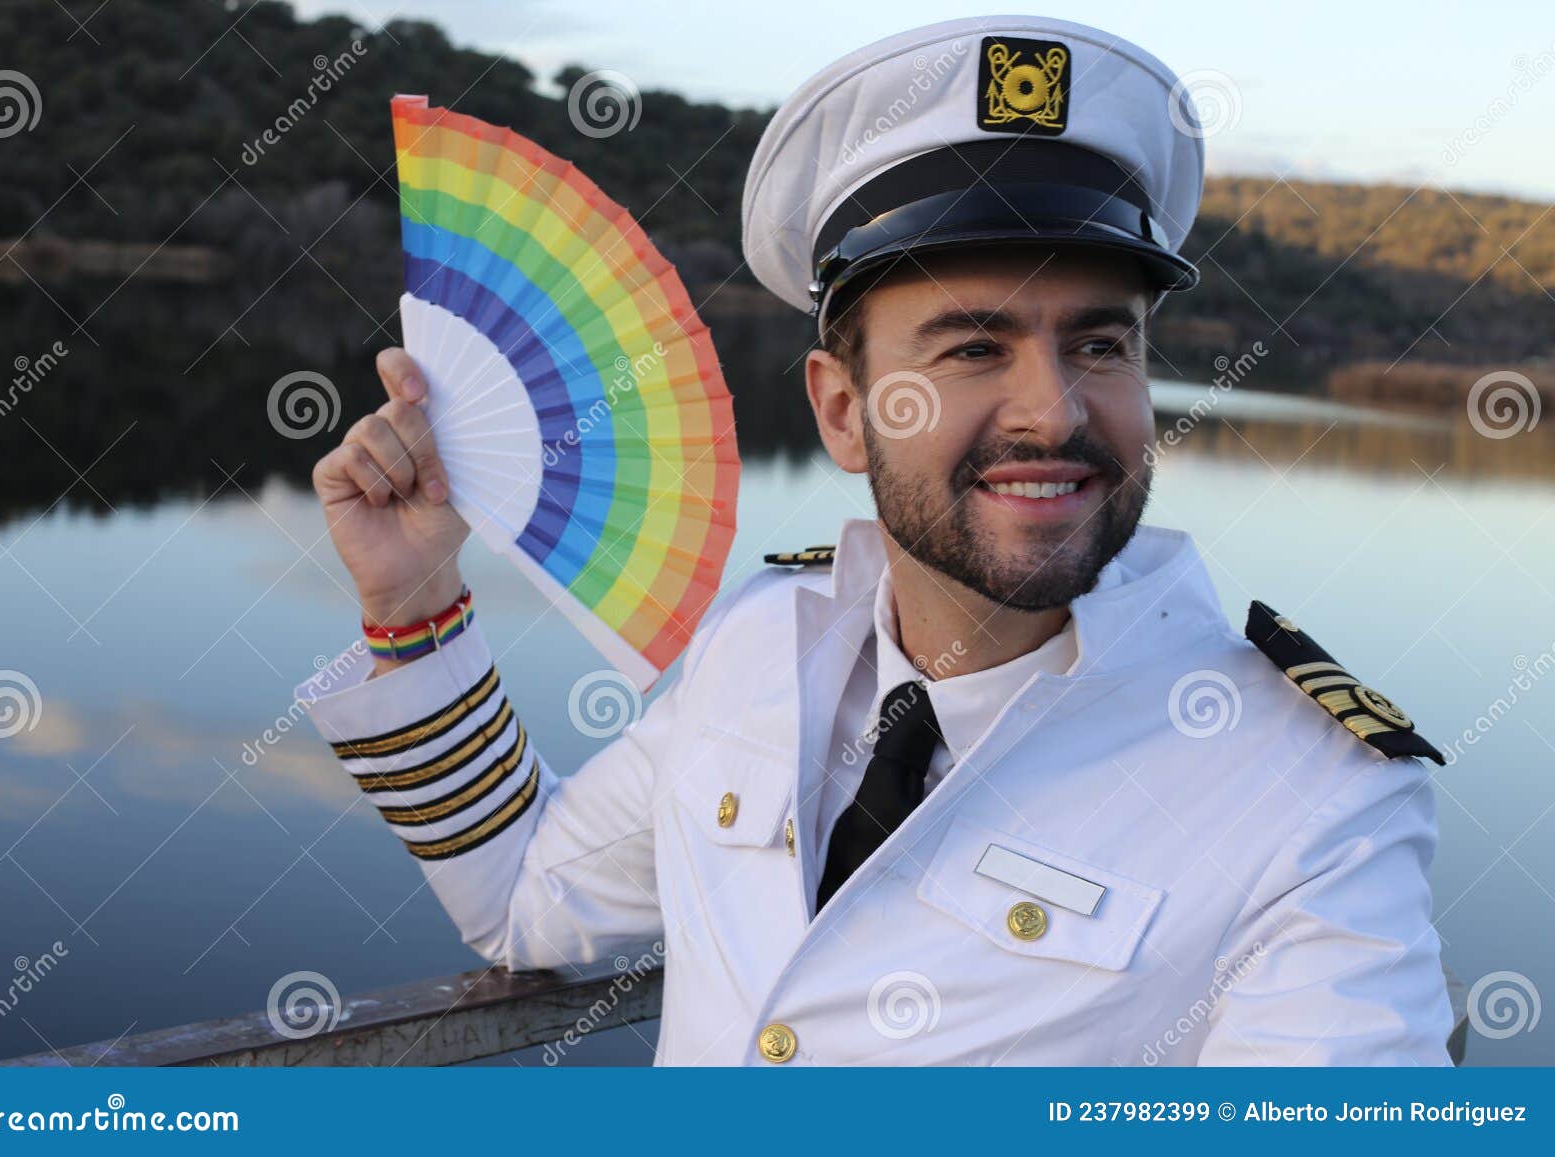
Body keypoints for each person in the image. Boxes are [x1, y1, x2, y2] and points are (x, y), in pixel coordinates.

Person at [298, 15, 1454, 1065]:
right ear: (842, 410)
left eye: (1100, 345)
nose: (1051, 410)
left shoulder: (1314, 798)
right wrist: (418, 598)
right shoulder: (753, 647)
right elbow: (523, 903)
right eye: (971, 347)